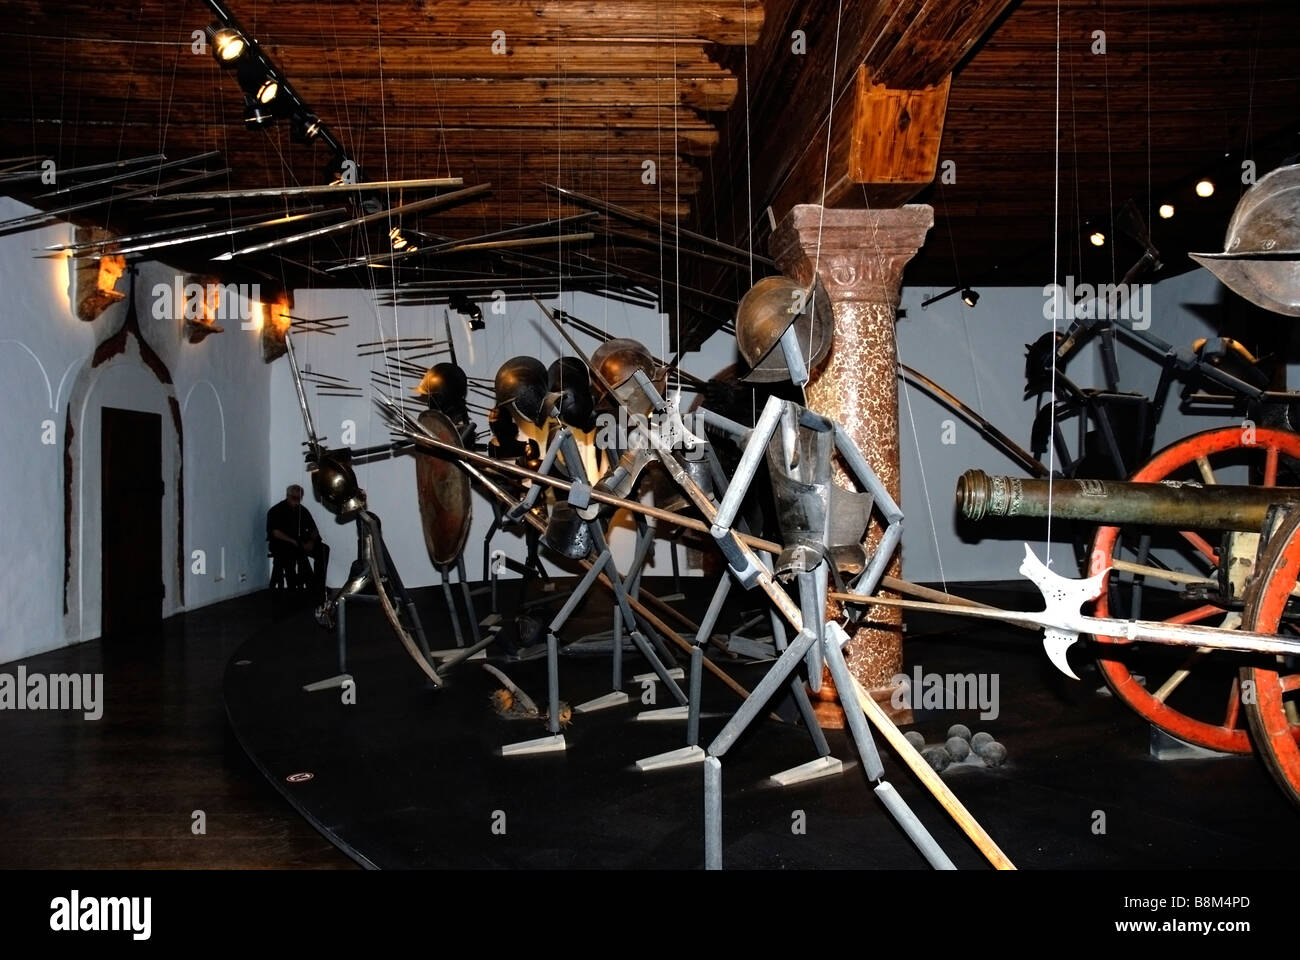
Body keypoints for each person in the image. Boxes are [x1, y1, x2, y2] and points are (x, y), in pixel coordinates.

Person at [267, 484, 329, 597]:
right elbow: (275, 533)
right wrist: (293, 541)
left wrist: (311, 541)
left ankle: (319, 585)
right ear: (288, 496)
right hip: (282, 543)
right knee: (296, 552)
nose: (297, 500)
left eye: (299, 498)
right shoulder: (276, 510)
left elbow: (314, 529)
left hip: (302, 542)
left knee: (323, 550)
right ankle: (304, 585)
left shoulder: (303, 511)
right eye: (294, 498)